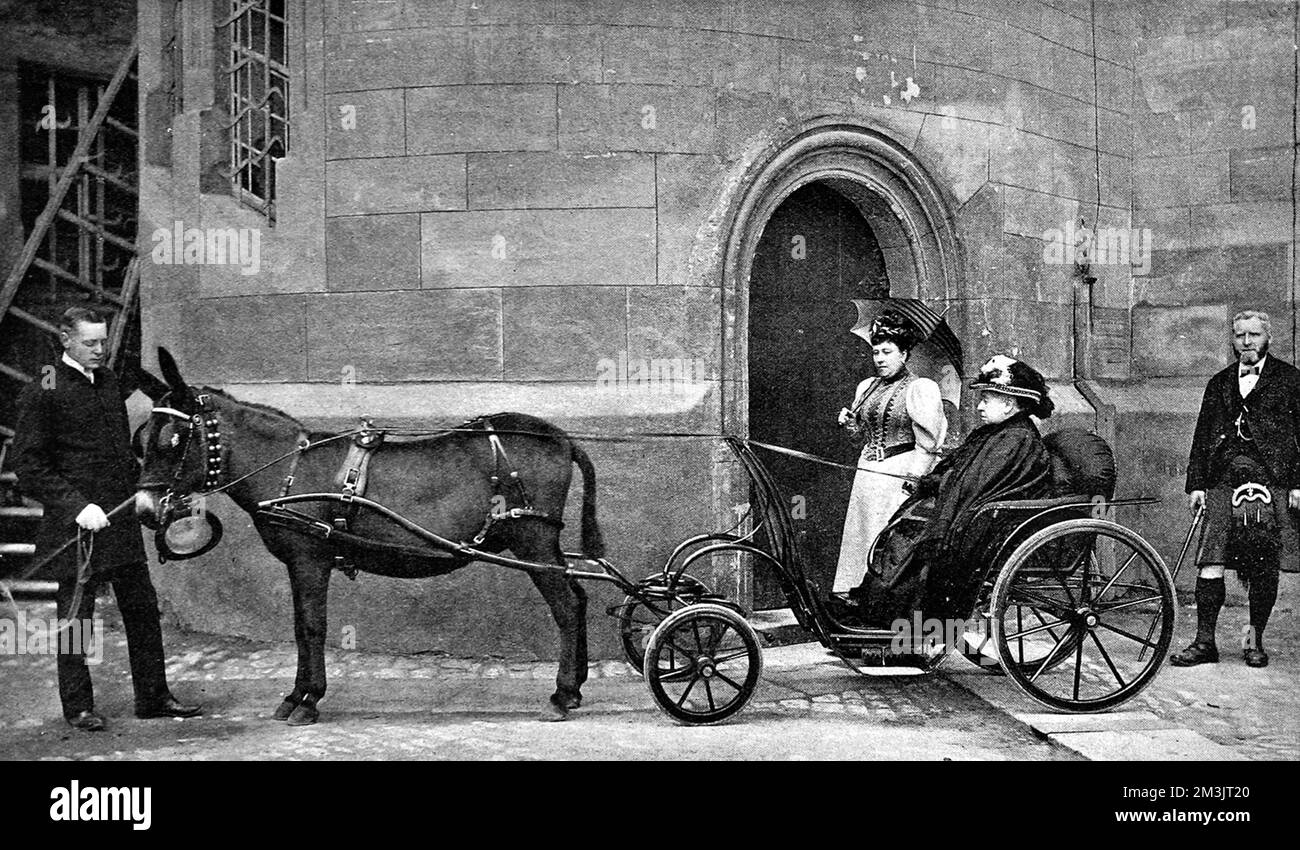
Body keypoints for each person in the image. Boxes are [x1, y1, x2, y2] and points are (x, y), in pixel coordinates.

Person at [11, 306, 202, 730]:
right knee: (76, 619)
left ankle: (153, 697)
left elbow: (119, 450)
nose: (100, 350)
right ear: (65, 339)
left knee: (142, 609)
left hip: (120, 519)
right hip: (77, 525)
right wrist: (77, 505)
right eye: (90, 342)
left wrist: (140, 494)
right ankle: (78, 706)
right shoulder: (46, 385)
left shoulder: (110, 380)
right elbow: (28, 464)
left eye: (103, 341)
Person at [846, 355, 1055, 627]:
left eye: (986, 399)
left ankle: (896, 622)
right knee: (905, 527)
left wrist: (935, 484)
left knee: (914, 541)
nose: (979, 406)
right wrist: (930, 481)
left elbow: (972, 485)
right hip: (967, 510)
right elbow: (961, 472)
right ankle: (879, 610)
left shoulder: (1014, 440)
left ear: (1007, 404)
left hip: (980, 522)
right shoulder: (996, 433)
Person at [1172, 310, 1300, 669]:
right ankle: (1204, 642)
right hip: (1222, 480)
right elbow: (1202, 436)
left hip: (1272, 479)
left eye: (1254, 335)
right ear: (1233, 339)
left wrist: (1298, 483)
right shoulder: (1219, 382)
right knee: (1210, 561)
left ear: (1267, 338)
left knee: (1264, 566)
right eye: (1241, 335)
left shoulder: (1290, 380)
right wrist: (1196, 484)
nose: (1247, 342)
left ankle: (1253, 641)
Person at [832, 311, 947, 594]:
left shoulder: (920, 388)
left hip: (898, 475)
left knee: (886, 539)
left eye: (887, 352)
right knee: (861, 537)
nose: (880, 358)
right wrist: (850, 424)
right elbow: (859, 437)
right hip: (867, 473)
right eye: (876, 352)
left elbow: (929, 443)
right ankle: (856, 595)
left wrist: (915, 478)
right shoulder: (867, 387)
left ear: (904, 354)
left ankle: (880, 600)